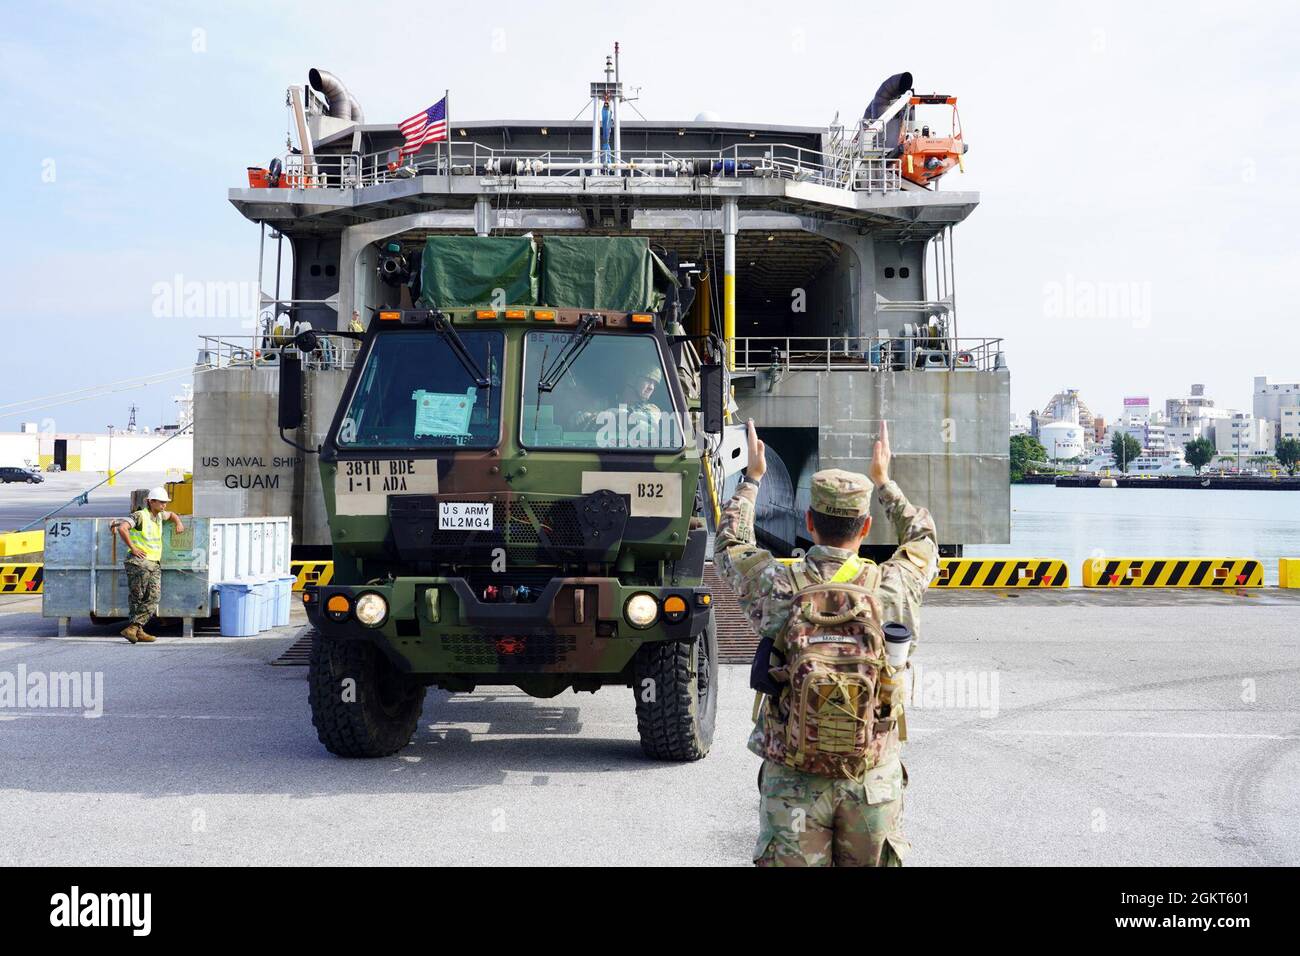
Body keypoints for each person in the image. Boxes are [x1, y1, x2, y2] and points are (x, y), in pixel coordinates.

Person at [716, 419, 938, 866]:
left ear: (809, 521)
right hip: (871, 777)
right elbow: (924, 540)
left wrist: (752, 480)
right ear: (867, 525)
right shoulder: (891, 587)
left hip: (794, 780)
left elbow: (729, 544)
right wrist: (885, 482)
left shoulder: (778, 585)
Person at [114, 487, 185, 644]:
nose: (164, 506)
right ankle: (136, 630)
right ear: (151, 502)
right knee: (137, 597)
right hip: (139, 562)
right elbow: (123, 528)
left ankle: (135, 628)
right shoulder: (140, 516)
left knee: (153, 597)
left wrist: (178, 522)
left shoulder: (159, 516)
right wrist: (133, 548)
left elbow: (172, 515)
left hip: (154, 563)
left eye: (166, 503)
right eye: (161, 502)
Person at [571, 365, 665, 442]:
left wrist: (608, 414)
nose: (652, 387)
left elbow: (643, 426)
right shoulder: (603, 402)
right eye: (648, 380)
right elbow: (577, 420)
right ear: (632, 379)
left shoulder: (652, 409)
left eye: (655, 384)